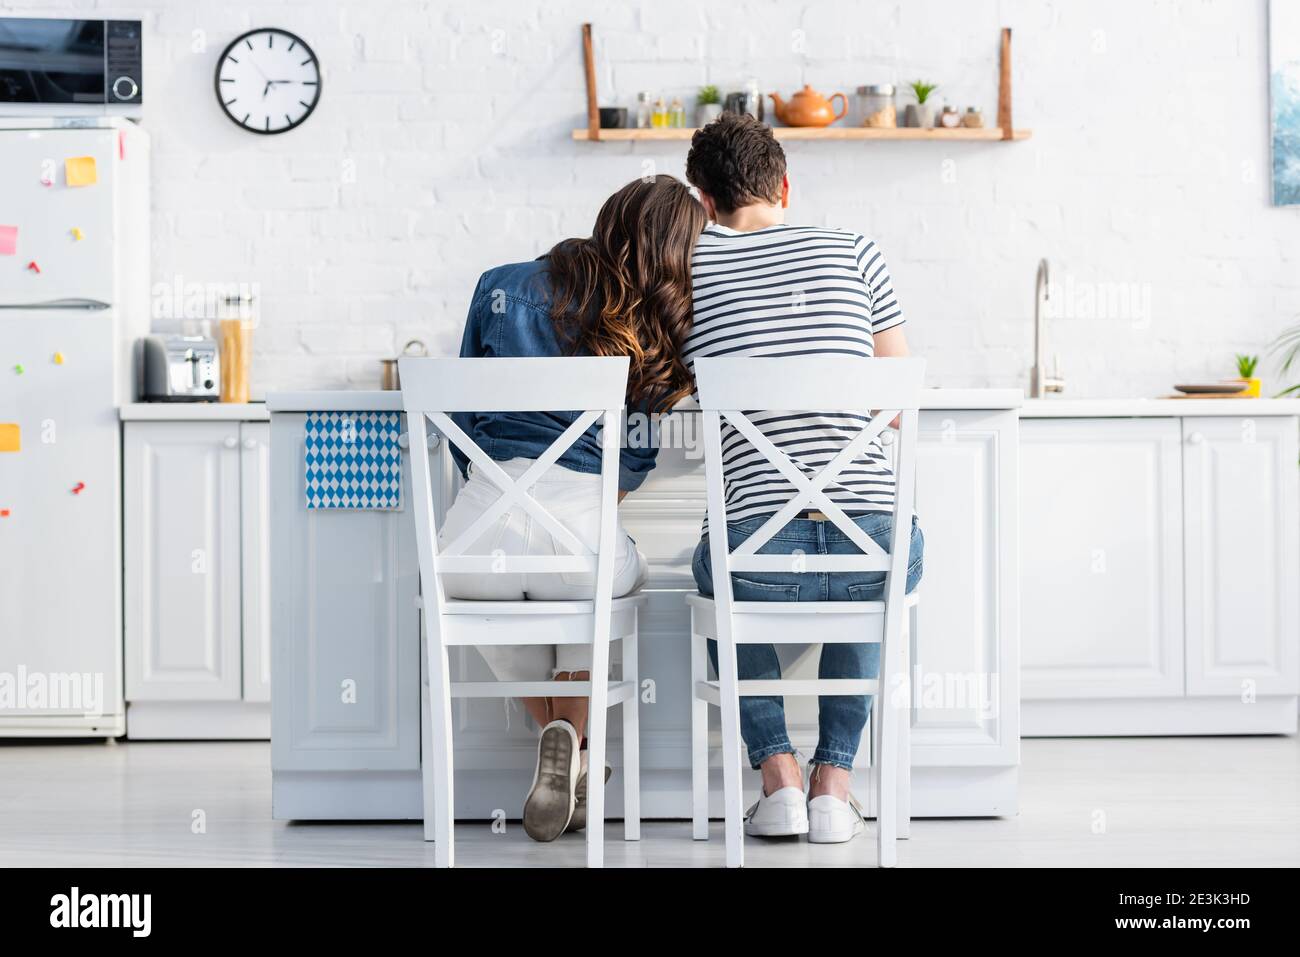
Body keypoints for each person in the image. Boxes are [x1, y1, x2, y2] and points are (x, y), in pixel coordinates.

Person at [442, 174, 706, 842]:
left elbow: (464, 422)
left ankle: (567, 743)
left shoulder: (498, 282)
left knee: (487, 604)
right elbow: (636, 456)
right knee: (594, 583)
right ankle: (575, 743)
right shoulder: (651, 324)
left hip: (470, 540)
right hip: (579, 545)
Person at [683, 113, 924, 844]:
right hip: (869, 548)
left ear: (704, 202)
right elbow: (895, 408)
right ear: (784, 185)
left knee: (718, 561)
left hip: (759, 565)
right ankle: (835, 783)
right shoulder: (857, 252)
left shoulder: (687, 269)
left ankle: (777, 775)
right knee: (878, 552)